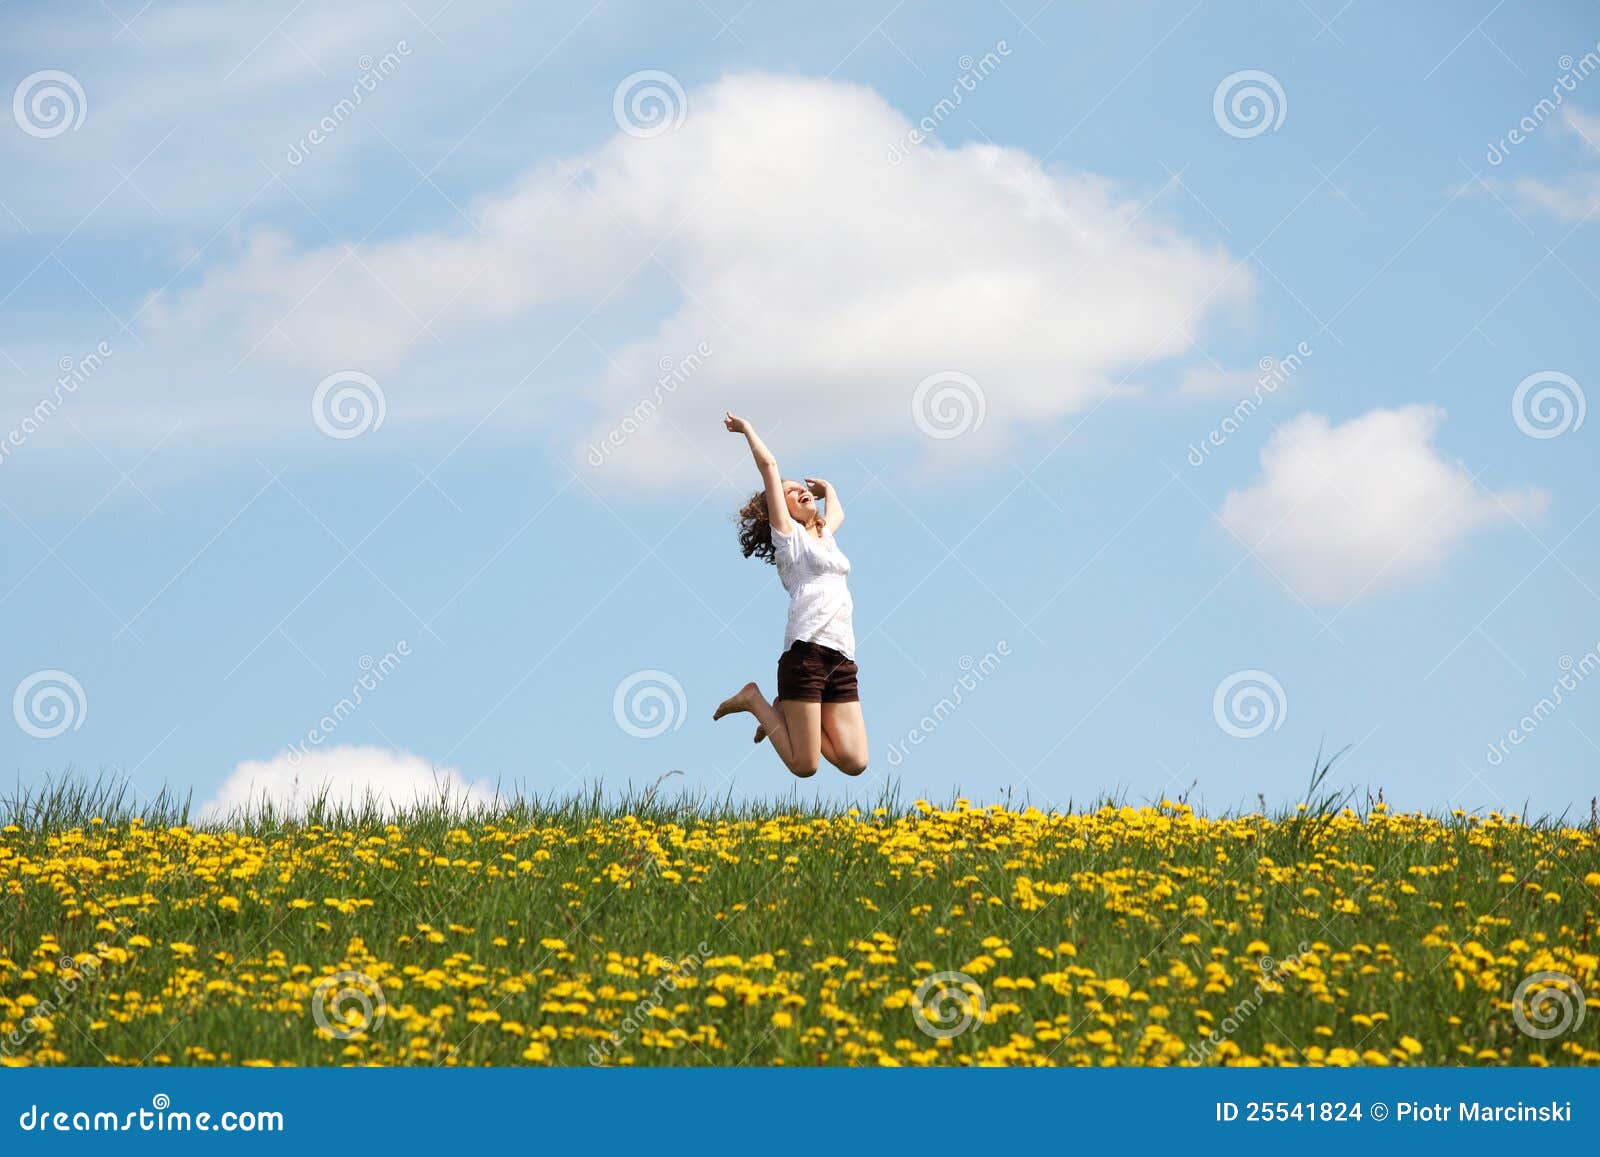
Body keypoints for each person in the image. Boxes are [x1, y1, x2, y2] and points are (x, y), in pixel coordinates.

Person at [713, 412, 868, 778]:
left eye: (801, 487)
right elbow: (769, 465)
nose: (799, 491)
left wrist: (828, 490)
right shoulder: (790, 541)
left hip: (842, 657)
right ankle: (755, 700)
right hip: (807, 655)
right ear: (780, 510)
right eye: (789, 493)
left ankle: (784, 711)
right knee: (805, 765)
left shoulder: (823, 537)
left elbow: (838, 514)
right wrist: (747, 429)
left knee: (855, 761)